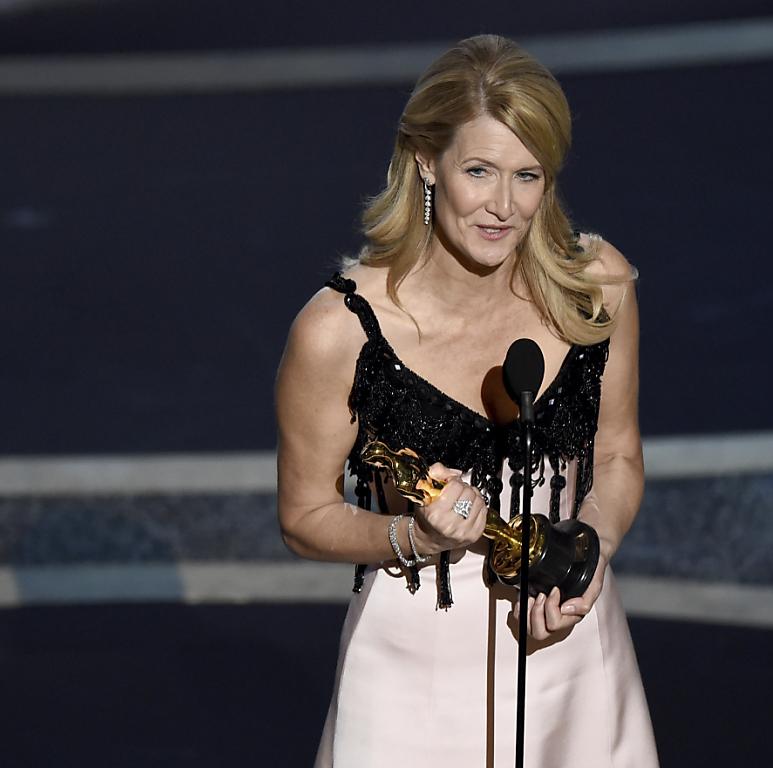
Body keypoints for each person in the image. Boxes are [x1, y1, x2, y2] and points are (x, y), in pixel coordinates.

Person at [275, 34, 659, 768]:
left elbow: (616, 456)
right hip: (409, 677)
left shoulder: (596, 287)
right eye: (479, 170)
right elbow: (304, 516)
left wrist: (580, 565)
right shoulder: (338, 331)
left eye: (527, 175)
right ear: (426, 160)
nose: (503, 206)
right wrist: (415, 538)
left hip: (570, 652)